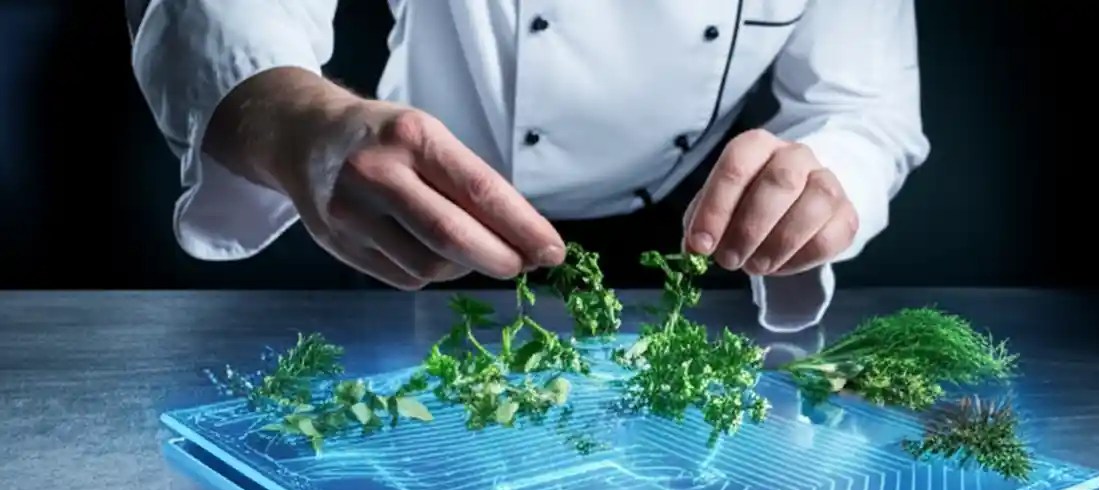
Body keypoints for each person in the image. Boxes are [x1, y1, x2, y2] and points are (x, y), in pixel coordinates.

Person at [126, 1, 928, 333]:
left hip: (678, 247)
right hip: (398, 218)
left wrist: (820, 183)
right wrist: (299, 122)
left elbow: (863, 108)